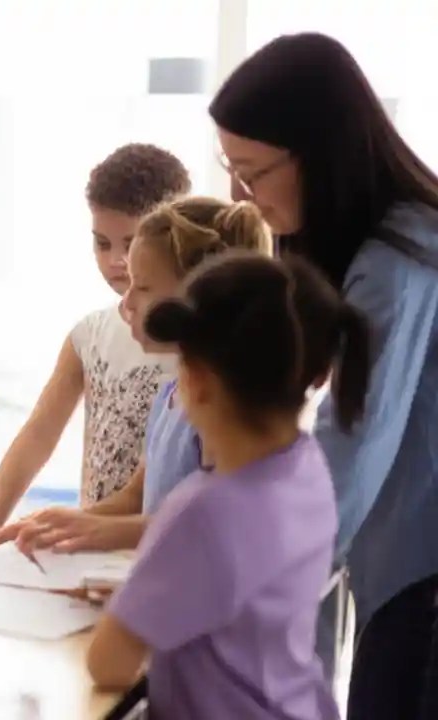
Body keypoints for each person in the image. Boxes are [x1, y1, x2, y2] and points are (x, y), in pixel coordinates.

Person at [211, 32, 438, 718]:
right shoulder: (383, 247)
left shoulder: (399, 261)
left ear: (318, 152)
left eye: (252, 171)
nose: (243, 196)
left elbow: (353, 441)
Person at [88, 252, 367, 719]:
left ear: (196, 381)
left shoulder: (203, 510)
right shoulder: (307, 467)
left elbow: (108, 664)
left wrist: (133, 603)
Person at [0, 197, 272, 552]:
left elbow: (217, 523)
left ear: (199, 297)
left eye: (142, 288)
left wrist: (102, 534)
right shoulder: (173, 394)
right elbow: (134, 498)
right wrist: (48, 522)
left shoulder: (230, 405)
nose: (126, 303)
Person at [0, 144, 189, 539]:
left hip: (161, 546)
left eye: (131, 243)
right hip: (87, 544)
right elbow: (38, 433)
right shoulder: (89, 334)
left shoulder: (193, 342)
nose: (114, 261)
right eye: (102, 243)